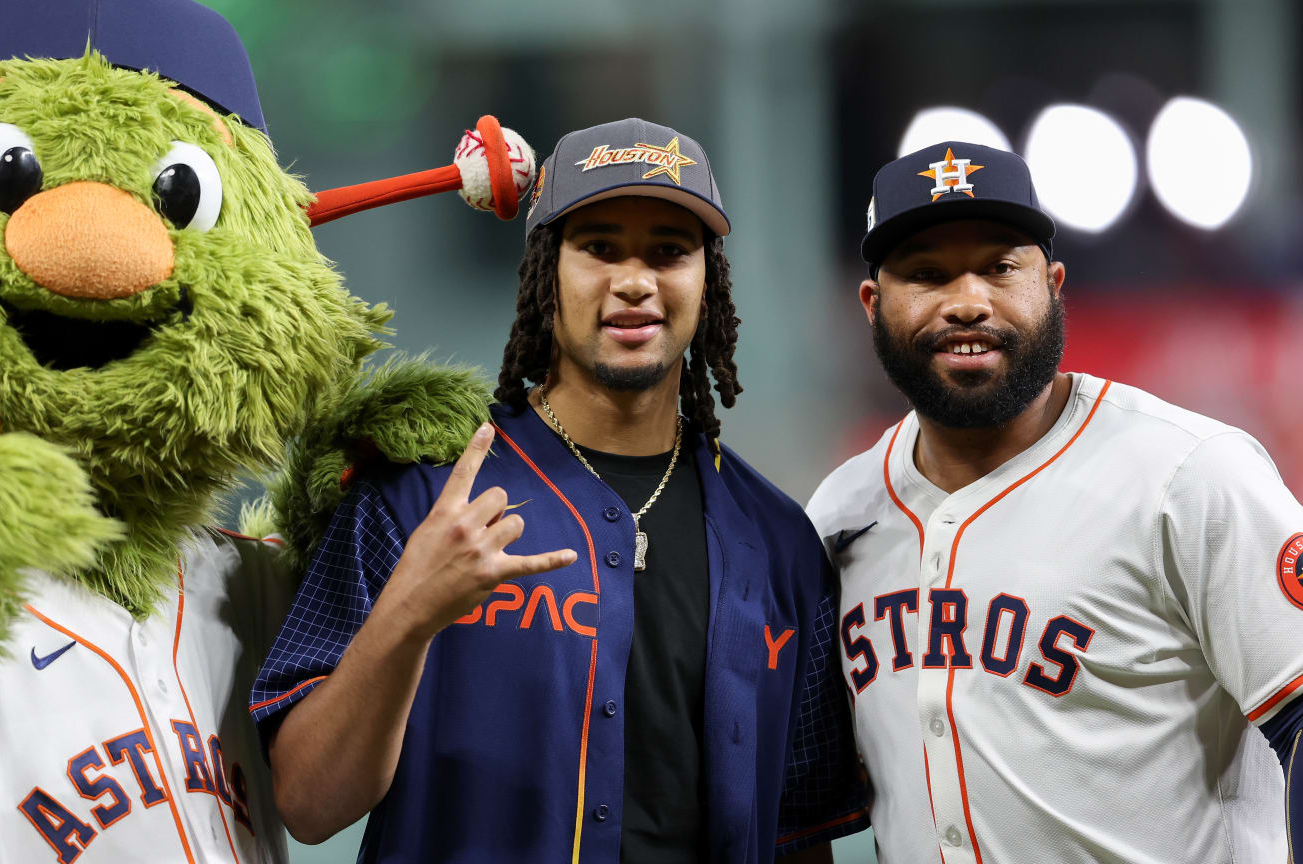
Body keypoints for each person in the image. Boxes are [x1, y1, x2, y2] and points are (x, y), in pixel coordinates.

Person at [251, 118, 868, 863]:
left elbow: (799, 837)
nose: (634, 280)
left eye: (669, 251)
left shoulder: (776, 542)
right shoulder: (419, 495)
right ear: (547, 272)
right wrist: (409, 613)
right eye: (599, 248)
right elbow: (309, 804)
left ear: (707, 280)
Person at [808, 140, 1303, 862]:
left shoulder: (1189, 475)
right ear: (874, 305)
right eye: (927, 274)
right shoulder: (840, 509)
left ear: (1054, 284)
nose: (968, 300)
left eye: (1001, 268)